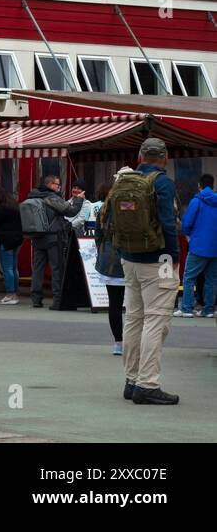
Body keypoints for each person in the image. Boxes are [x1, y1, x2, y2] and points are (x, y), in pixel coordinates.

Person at [103, 138, 180, 405]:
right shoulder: (162, 183)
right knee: (156, 320)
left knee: (134, 319)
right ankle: (147, 384)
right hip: (157, 260)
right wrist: (174, 258)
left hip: (128, 259)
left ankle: (131, 379)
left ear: (140, 156)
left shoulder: (123, 181)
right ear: (164, 158)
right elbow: (168, 225)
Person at [22, 173, 72, 308]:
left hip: (37, 237)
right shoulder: (51, 198)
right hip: (53, 238)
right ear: (50, 185)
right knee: (57, 268)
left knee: (38, 269)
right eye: (57, 184)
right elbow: (70, 211)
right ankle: (57, 298)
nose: (59, 187)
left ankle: (36, 299)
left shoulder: (32, 196)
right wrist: (78, 200)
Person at [95, 175, 129, 356]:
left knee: (114, 304)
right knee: (134, 304)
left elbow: (98, 236)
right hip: (131, 257)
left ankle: (118, 342)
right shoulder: (130, 206)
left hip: (109, 260)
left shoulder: (103, 208)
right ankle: (134, 342)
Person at [178, 173, 217, 319]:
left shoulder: (196, 201)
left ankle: (187, 308)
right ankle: (209, 310)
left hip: (198, 246)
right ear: (212, 185)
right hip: (215, 247)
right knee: (211, 279)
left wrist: (189, 235)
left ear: (199, 186)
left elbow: (187, 223)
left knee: (189, 277)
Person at [0, 188, 23, 305]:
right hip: (16, 240)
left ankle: (10, 294)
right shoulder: (14, 207)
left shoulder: (0, 209)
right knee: (13, 267)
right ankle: (15, 293)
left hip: (5, 240)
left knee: (7, 268)